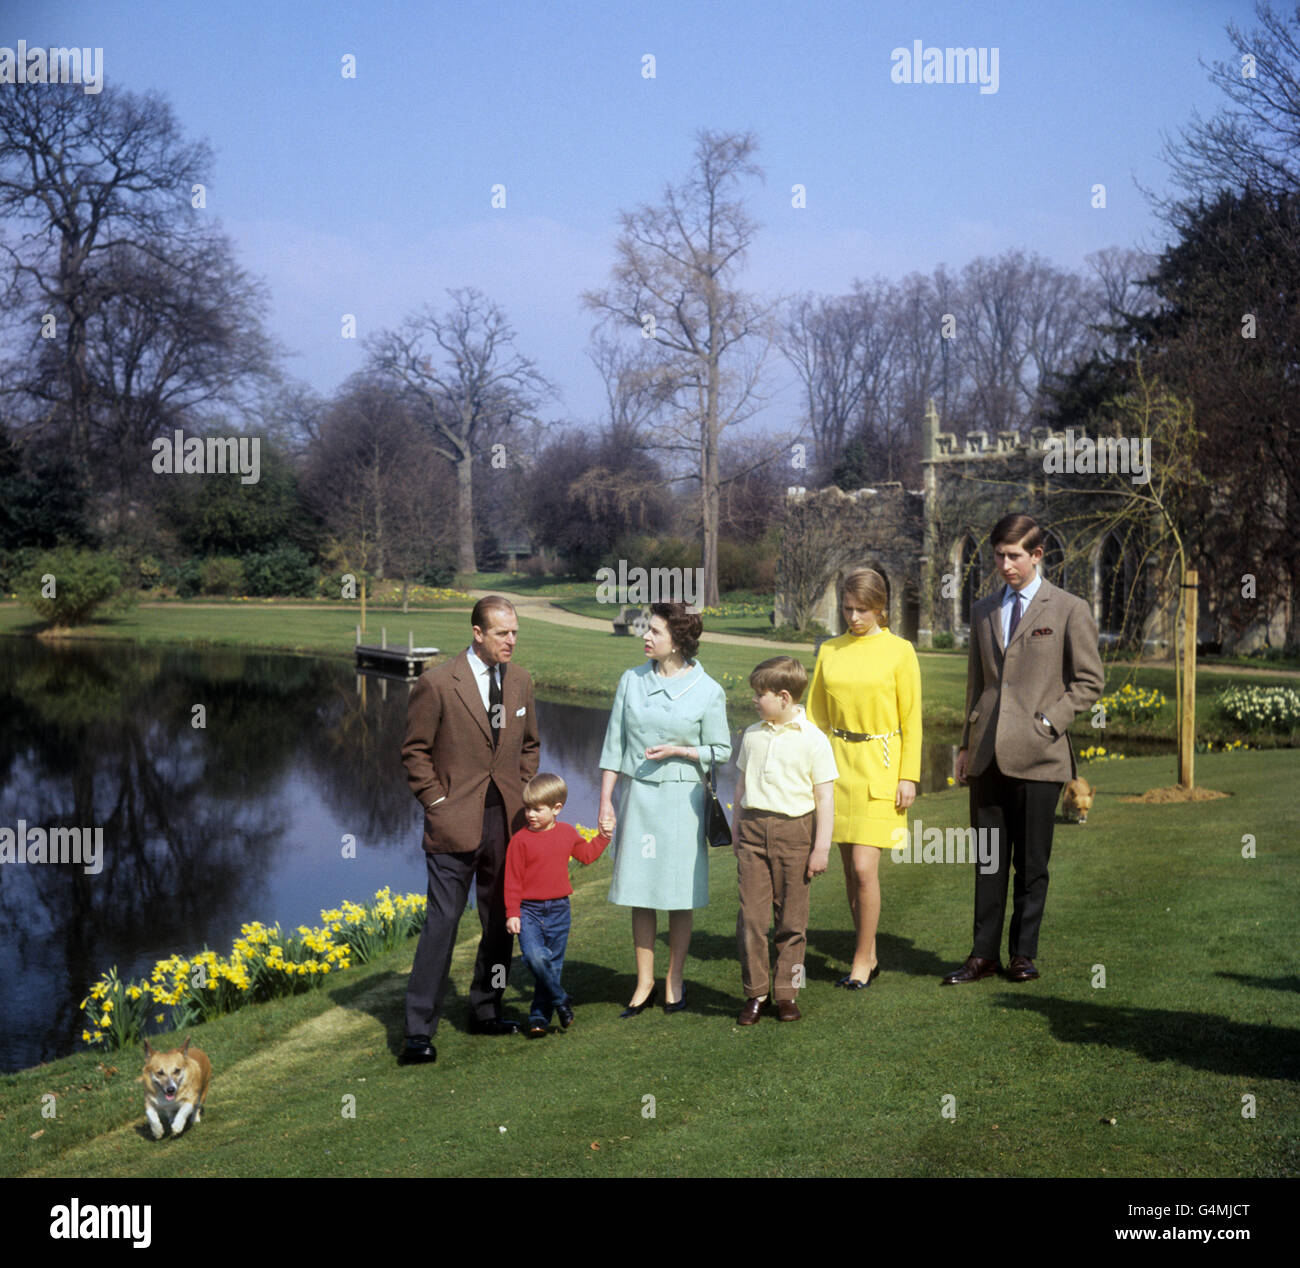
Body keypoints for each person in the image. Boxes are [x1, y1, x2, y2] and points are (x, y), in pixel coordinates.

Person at [944, 513, 1104, 985]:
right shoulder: (982, 610)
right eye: (998, 555)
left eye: (1014, 555)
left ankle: (1023, 955)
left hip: (1041, 756)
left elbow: (1089, 681)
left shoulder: (1069, 609)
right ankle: (982, 955)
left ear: (1037, 555)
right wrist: (964, 745)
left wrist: (1049, 722)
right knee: (989, 860)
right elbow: (976, 685)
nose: (1005, 564)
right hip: (986, 754)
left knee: (1031, 864)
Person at [398, 596, 540, 1064]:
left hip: (508, 822)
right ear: (477, 633)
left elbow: (530, 746)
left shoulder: (520, 681)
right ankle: (418, 1031)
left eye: (515, 632)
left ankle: (486, 1009)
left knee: (501, 921)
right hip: (452, 822)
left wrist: (520, 789)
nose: (511, 641)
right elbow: (414, 753)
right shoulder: (438, 683)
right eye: (502, 633)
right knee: (441, 924)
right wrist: (436, 802)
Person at [597, 601, 731, 1017]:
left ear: (677, 642)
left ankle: (674, 979)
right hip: (638, 798)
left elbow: (721, 750)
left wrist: (680, 751)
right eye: (646, 629)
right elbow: (614, 747)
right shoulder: (630, 681)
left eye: (654, 631)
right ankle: (644, 982)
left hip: (683, 802)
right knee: (640, 890)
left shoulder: (708, 690)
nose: (645, 636)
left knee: (678, 894)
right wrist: (605, 800)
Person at [806, 567, 921, 989]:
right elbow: (815, 719)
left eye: (862, 610)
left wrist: (908, 776)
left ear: (880, 609)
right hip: (836, 771)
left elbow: (912, 720)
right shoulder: (829, 651)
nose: (853, 617)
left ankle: (859, 960)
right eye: (848, 609)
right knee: (850, 873)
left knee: (864, 867)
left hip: (882, 768)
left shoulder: (900, 651)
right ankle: (868, 953)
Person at [732, 656, 838, 1024]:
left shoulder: (815, 740)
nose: (754, 701)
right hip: (753, 833)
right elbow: (741, 786)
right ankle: (756, 993)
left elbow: (825, 798)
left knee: (792, 923)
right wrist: (736, 830)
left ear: (783, 697)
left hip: (796, 834)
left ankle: (788, 994)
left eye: (759, 695)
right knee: (752, 918)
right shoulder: (752, 734)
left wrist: (820, 848)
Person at [504, 773, 611, 1038]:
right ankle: (561, 1000)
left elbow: (586, 855)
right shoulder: (519, 841)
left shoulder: (566, 833)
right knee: (534, 957)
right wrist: (512, 913)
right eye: (527, 808)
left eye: (537, 810)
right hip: (528, 911)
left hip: (559, 911)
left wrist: (604, 837)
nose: (530, 814)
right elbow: (512, 880)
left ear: (556, 808)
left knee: (552, 966)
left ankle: (539, 1017)